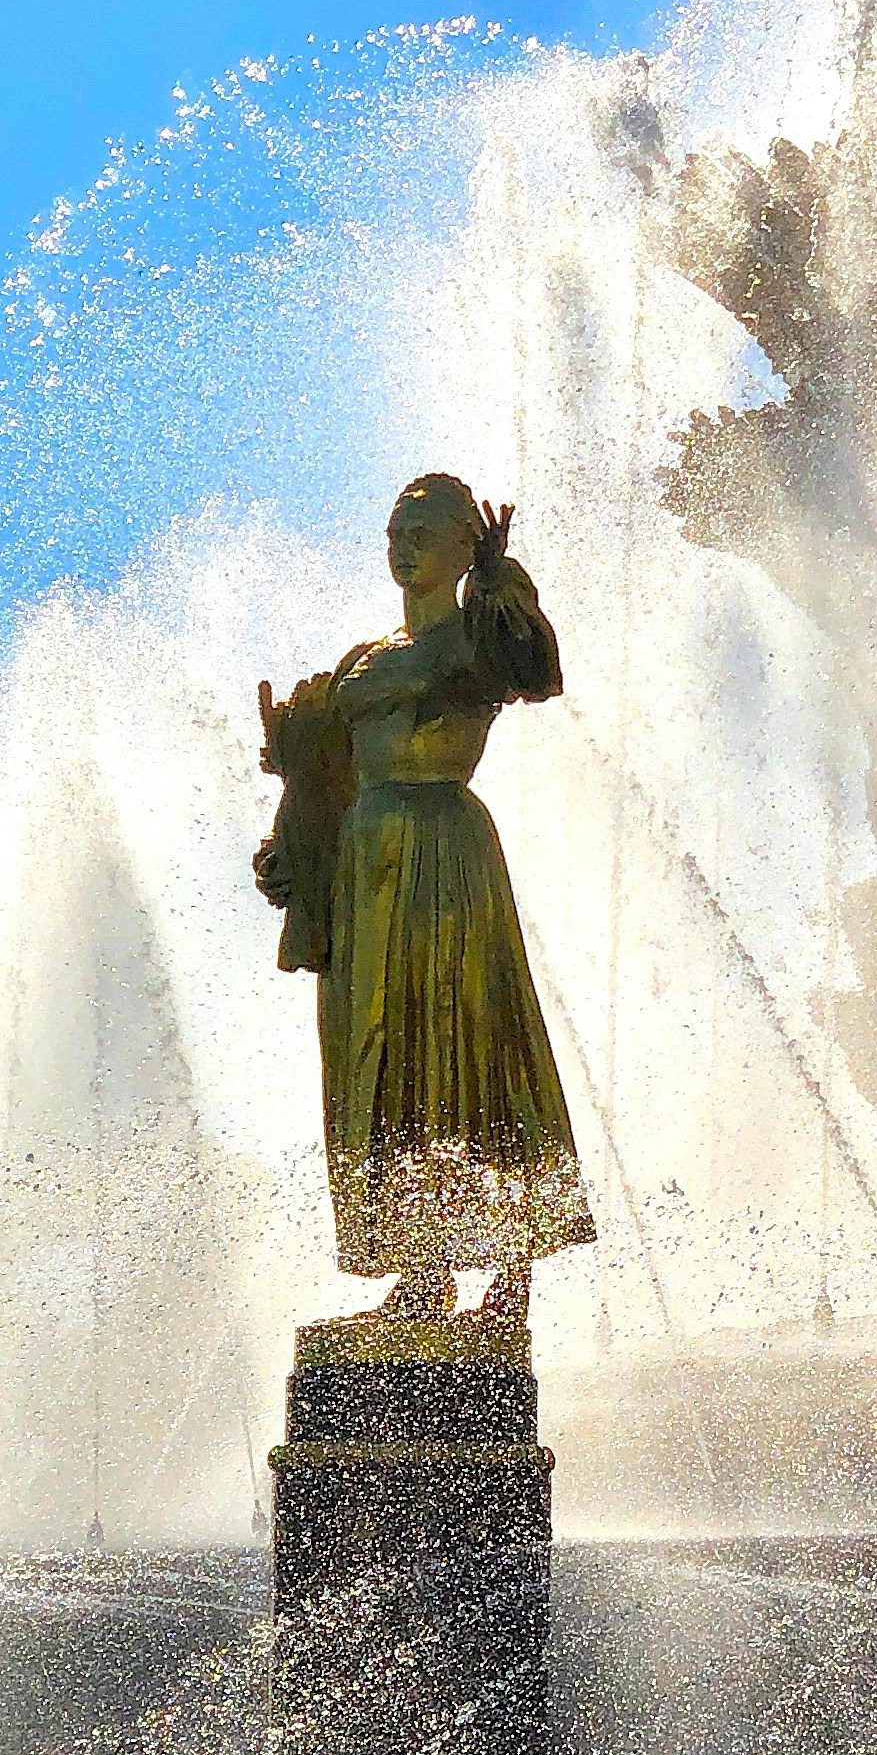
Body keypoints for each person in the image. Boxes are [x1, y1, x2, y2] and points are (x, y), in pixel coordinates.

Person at [256, 474, 595, 1331]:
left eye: (423, 532)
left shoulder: (474, 639)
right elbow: (320, 778)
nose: (403, 547)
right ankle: (421, 1271)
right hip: (365, 867)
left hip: (445, 850)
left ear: (460, 546)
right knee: (381, 1049)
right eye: (393, 532)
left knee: (471, 1040)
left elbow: (533, 671)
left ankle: (513, 1272)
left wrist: (500, 581)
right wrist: (288, 854)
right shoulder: (360, 664)